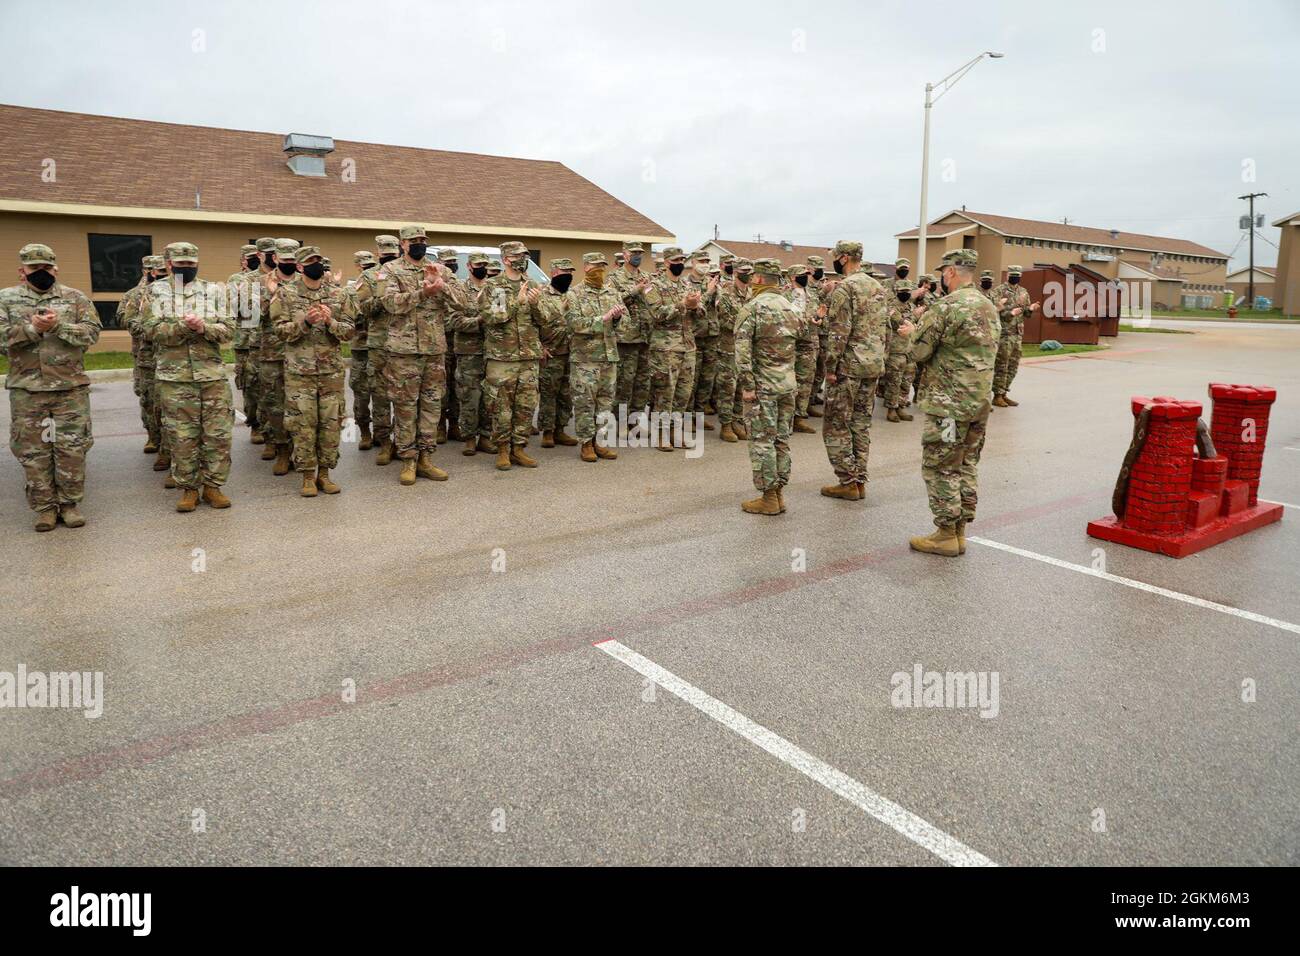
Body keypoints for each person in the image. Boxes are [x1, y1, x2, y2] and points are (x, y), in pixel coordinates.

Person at [904, 248, 999, 556]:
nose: (941, 278)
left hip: (949, 406)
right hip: (978, 401)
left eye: (942, 273)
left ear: (951, 273)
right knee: (967, 463)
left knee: (942, 465)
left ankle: (945, 533)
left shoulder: (946, 307)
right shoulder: (988, 306)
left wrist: (910, 333)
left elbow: (920, 352)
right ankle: (959, 530)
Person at [0, 243, 100, 531]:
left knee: (72, 448)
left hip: (70, 389)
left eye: (46, 268)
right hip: (28, 390)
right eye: (34, 268)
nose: (41, 273)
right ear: (23, 272)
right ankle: (44, 508)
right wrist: (31, 330)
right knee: (34, 451)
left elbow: (92, 334)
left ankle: (69, 504)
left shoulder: (75, 299)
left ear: (55, 269)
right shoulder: (6, 299)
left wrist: (58, 327)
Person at [143, 242, 235, 512]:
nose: (187, 269)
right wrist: (181, 328)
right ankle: (189, 489)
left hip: (211, 375)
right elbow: (149, 331)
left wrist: (204, 327)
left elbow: (229, 329)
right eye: (181, 265)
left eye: (191, 265)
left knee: (217, 434)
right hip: (175, 378)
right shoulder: (155, 292)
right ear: (169, 265)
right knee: (182, 436)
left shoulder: (213, 291)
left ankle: (214, 486)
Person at [375, 225, 463, 485]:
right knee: (405, 407)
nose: (419, 244)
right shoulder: (391, 270)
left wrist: (441, 285)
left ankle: (426, 458)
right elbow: (389, 303)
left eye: (423, 240)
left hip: (434, 351)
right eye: (414, 240)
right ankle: (407, 460)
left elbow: (464, 302)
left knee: (431, 406)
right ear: (403, 244)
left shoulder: (441, 270)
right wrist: (423, 293)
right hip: (404, 352)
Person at [271, 246, 354, 496]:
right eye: (309, 262)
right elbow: (280, 331)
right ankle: (307, 475)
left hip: (330, 373)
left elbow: (350, 332)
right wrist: (305, 322)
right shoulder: (286, 295)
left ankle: (325, 474)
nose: (315, 265)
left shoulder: (338, 295)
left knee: (330, 424)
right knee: (303, 425)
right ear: (299, 267)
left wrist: (330, 322)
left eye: (318, 260)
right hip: (300, 373)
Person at [734, 258, 803, 515]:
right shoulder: (791, 307)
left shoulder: (753, 307)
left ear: (760, 279)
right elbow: (805, 341)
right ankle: (779, 492)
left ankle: (769, 497)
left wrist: (747, 385)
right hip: (787, 383)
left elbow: (741, 351)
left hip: (763, 385)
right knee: (781, 439)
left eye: (753, 277)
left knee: (762, 439)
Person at [478, 241, 545, 470]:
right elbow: (495, 317)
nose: (522, 259)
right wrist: (518, 302)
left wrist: (535, 305)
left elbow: (545, 320)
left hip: (528, 357)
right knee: (500, 407)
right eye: (517, 255)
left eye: (524, 255)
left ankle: (519, 448)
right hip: (502, 358)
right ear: (506, 259)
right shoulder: (496, 286)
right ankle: (503, 450)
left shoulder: (533, 284)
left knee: (526, 406)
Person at [565, 252, 623, 462]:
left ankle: (600, 441)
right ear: (586, 267)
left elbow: (624, 325)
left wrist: (616, 319)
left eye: (603, 266)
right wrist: (603, 319)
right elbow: (574, 324)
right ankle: (586, 444)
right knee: (584, 402)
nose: (600, 269)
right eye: (596, 265)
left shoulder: (612, 293)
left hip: (609, 356)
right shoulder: (574, 294)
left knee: (605, 402)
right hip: (585, 359)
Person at [644, 247, 703, 451]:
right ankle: (660, 435)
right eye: (677, 260)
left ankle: (675, 433)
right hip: (665, 348)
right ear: (667, 262)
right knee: (665, 393)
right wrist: (682, 304)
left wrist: (695, 306)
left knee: (683, 394)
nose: (680, 262)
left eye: (683, 259)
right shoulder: (654, 286)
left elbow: (700, 314)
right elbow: (657, 314)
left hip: (687, 346)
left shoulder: (687, 284)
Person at [258, 238, 301, 476]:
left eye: (293, 260)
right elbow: (249, 316)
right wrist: (271, 295)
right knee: (275, 406)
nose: (290, 264)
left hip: (301, 354)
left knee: (299, 406)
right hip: (272, 353)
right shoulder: (261, 282)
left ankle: (300, 451)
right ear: (275, 259)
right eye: (285, 260)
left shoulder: (305, 280)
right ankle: (282, 451)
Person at [359, 235, 402, 463]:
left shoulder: (406, 273)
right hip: (379, 344)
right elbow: (363, 308)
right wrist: (383, 297)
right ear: (378, 255)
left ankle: (402, 442)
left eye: (393, 256)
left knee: (405, 397)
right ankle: (384, 441)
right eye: (385, 256)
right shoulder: (368, 276)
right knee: (381, 395)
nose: (389, 260)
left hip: (405, 344)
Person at [121, 254, 167, 459]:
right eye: (156, 272)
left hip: (170, 357)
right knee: (149, 400)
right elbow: (125, 319)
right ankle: (153, 436)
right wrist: (149, 329)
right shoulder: (134, 295)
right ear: (147, 272)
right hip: (146, 358)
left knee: (169, 404)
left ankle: (168, 447)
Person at [608, 241, 654, 426]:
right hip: (626, 337)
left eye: (640, 253)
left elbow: (652, 299)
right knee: (624, 383)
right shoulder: (615, 277)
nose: (638, 256)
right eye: (634, 253)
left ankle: (636, 420)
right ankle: (619, 421)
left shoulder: (646, 276)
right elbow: (612, 299)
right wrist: (634, 291)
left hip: (645, 336)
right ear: (625, 255)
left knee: (643, 382)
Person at [452, 252, 491, 454]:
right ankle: (469, 438)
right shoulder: (459, 289)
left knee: (489, 397)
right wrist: (480, 321)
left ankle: (485, 436)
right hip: (469, 353)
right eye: (478, 264)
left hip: (492, 352)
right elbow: (454, 321)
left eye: (485, 264)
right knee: (469, 397)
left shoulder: (494, 289)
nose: (482, 267)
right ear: (468, 266)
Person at [536, 258, 577, 448]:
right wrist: (539, 347)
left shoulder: (574, 295)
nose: (568, 275)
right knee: (549, 393)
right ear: (553, 273)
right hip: (550, 352)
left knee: (566, 394)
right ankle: (548, 431)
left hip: (572, 352)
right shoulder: (541, 294)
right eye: (564, 271)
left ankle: (561, 429)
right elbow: (532, 323)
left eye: (570, 272)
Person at [714, 258, 753, 442]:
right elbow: (723, 320)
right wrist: (746, 327)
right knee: (727, 388)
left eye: (750, 271)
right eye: (745, 271)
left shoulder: (751, 293)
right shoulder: (726, 293)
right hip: (728, 347)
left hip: (745, 348)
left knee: (741, 387)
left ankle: (738, 421)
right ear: (736, 272)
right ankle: (726, 425)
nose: (749, 274)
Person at [228, 244, 263, 440]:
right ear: (243, 261)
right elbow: (234, 310)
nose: (255, 260)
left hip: (265, 341)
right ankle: (255, 425)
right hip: (245, 342)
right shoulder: (237, 280)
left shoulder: (268, 278)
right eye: (251, 257)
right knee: (250, 385)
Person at [991, 265, 1038, 407]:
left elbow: (1026, 313)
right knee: (1002, 364)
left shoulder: (1023, 292)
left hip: (1017, 334)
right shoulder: (999, 291)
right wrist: (1010, 313)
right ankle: (997, 395)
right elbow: (993, 312)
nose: (1015, 277)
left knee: (1013, 365)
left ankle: (1004, 393)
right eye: (1013, 275)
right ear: (1008, 276)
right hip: (1004, 333)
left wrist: (1030, 309)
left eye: (1018, 275)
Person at [344, 250, 378, 449]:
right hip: (360, 349)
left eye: (369, 265)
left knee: (381, 395)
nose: (367, 268)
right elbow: (350, 317)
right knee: (362, 394)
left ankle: (383, 434)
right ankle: (365, 432)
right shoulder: (352, 289)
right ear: (357, 266)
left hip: (379, 348)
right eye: (364, 265)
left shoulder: (380, 285)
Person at [786, 264, 821, 434]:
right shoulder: (784, 295)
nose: (805, 277)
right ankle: (787, 419)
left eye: (806, 274)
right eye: (802, 275)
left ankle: (799, 416)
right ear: (792, 277)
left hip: (809, 343)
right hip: (791, 344)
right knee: (789, 383)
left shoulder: (812, 294)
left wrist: (819, 318)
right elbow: (787, 318)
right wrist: (809, 319)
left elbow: (816, 313)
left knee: (805, 382)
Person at [882, 279, 919, 422]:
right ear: (897, 292)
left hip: (909, 350)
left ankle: (901, 406)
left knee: (906, 381)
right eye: (902, 292)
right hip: (896, 350)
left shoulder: (910, 306)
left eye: (907, 292)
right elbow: (900, 321)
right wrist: (915, 316)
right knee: (894, 381)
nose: (905, 294)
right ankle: (891, 409)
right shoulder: (892, 306)